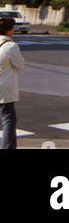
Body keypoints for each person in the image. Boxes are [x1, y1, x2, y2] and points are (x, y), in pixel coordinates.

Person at [0, 15, 24, 149]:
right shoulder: (11, 46)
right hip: (4, 90)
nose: (14, 30)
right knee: (9, 119)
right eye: (13, 28)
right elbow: (20, 65)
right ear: (9, 30)